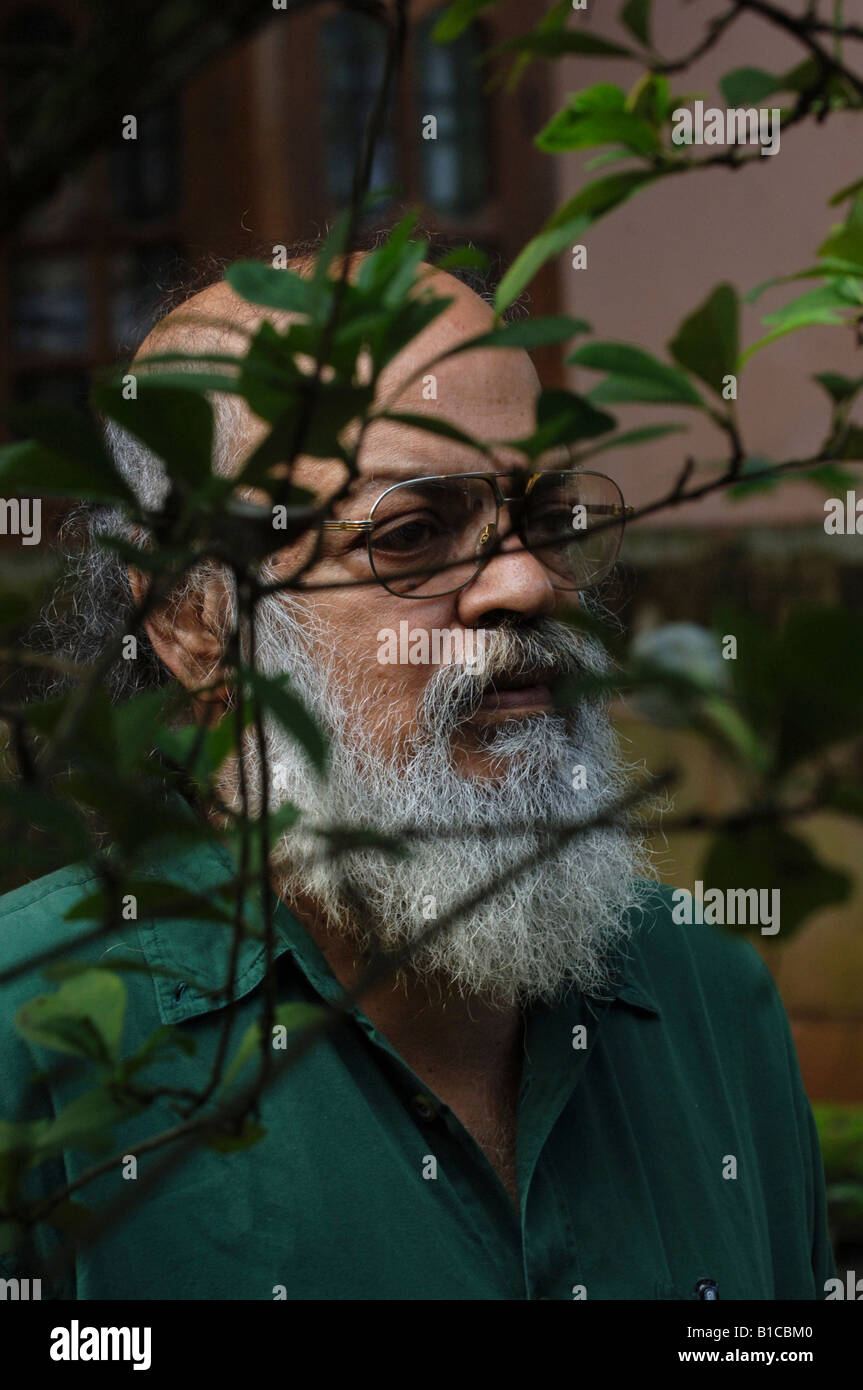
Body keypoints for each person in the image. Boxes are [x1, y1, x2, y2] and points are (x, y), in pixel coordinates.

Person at [0, 248, 835, 1300]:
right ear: (192, 616)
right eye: (412, 532)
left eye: (544, 517)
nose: (526, 582)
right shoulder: (27, 1032)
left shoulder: (711, 1002)